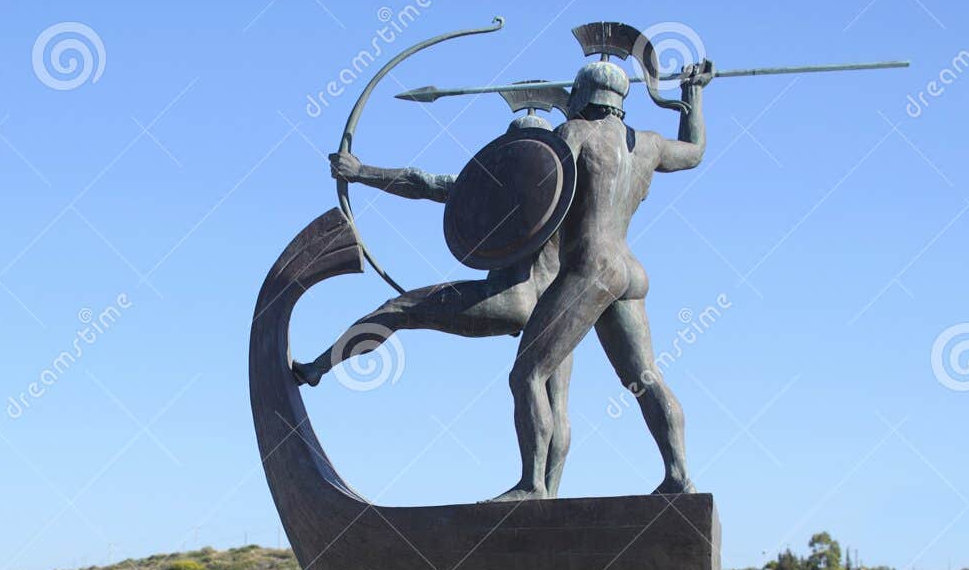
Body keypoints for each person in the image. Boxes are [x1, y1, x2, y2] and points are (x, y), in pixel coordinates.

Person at [294, 109, 576, 496]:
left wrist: (360, 172)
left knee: (399, 309)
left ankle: (317, 368)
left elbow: (422, 182)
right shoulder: (573, 196)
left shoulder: (499, 181)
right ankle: (546, 493)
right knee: (554, 400)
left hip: (512, 298)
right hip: (558, 309)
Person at [493, 58, 713, 501]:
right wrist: (692, 95)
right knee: (645, 377)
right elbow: (695, 151)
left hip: (589, 268)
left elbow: (534, 197)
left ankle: (532, 485)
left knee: (528, 375)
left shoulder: (571, 134)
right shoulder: (647, 145)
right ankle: (679, 474)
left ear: (580, 95)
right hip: (629, 269)